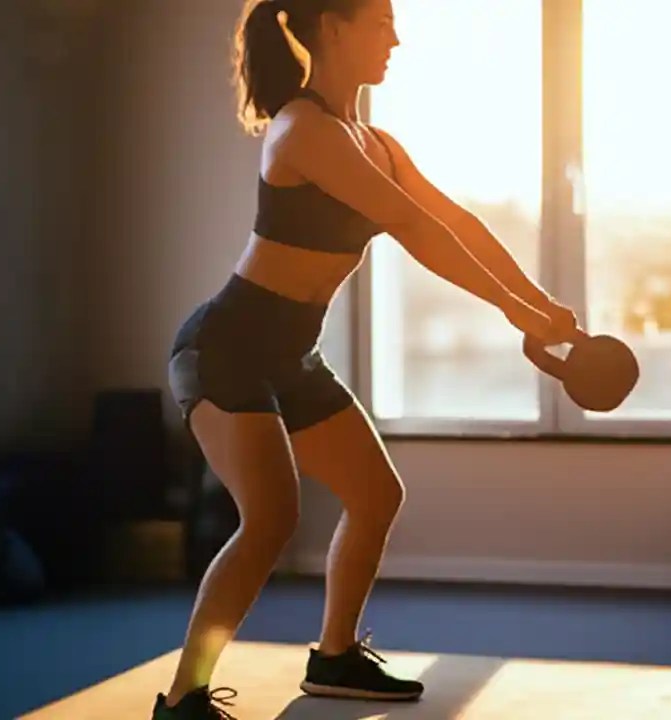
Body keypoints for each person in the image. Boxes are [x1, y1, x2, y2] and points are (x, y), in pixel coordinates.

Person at [154, 0, 581, 717]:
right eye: (380, 21)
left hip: (292, 353)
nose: (395, 37)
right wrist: (520, 313)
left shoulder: (373, 142)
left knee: (377, 494)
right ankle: (183, 698)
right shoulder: (303, 130)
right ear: (331, 25)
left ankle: (336, 656)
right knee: (270, 518)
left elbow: (456, 221)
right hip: (227, 348)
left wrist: (541, 304)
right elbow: (414, 228)